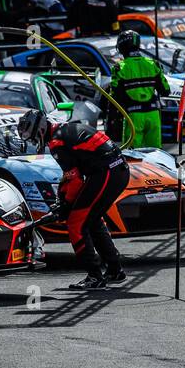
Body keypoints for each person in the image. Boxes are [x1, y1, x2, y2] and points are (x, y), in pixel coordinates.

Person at [19, 109, 128, 291]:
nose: (34, 142)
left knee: (76, 223)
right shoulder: (62, 130)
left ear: (40, 130)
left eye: (32, 138)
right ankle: (114, 269)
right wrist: (61, 199)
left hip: (107, 172)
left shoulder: (57, 142)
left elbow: (75, 180)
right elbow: (70, 176)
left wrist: (66, 205)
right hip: (114, 170)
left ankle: (94, 276)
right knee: (92, 220)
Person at [108, 30, 169, 147]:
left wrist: (111, 123)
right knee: (156, 154)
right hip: (153, 115)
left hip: (133, 117)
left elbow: (114, 97)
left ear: (121, 47)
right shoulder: (153, 64)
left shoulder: (119, 68)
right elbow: (166, 90)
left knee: (132, 156)